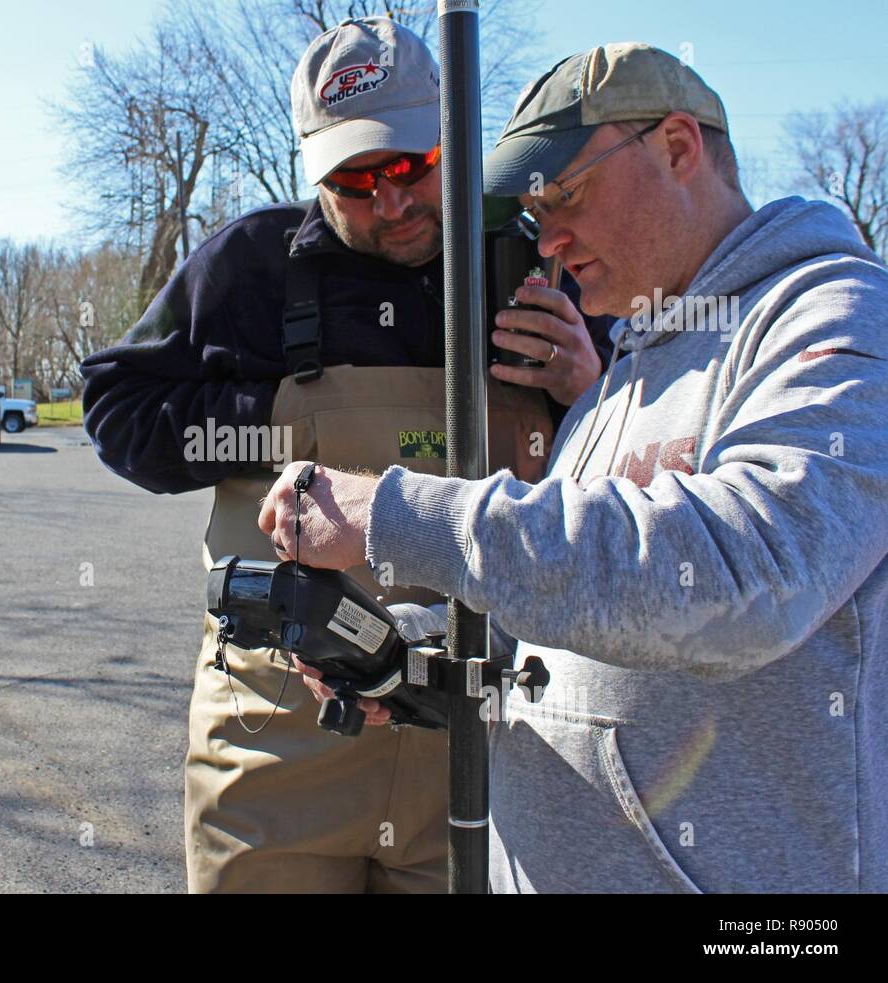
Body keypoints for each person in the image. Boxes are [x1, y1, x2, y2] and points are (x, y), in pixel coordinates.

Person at [260, 42, 888, 893]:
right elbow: (550, 639)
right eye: (533, 204)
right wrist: (403, 658)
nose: (546, 235)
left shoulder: (835, 318)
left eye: (567, 193)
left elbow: (751, 574)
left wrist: (394, 516)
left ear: (676, 147)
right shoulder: (605, 387)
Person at [80, 17, 607, 893]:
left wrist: (589, 384)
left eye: (410, 169)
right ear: (312, 167)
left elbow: (657, 462)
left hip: (486, 737)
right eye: (354, 181)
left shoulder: (541, 258)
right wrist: (282, 419)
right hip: (279, 745)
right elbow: (115, 408)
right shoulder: (250, 268)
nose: (391, 204)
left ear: (451, 139)